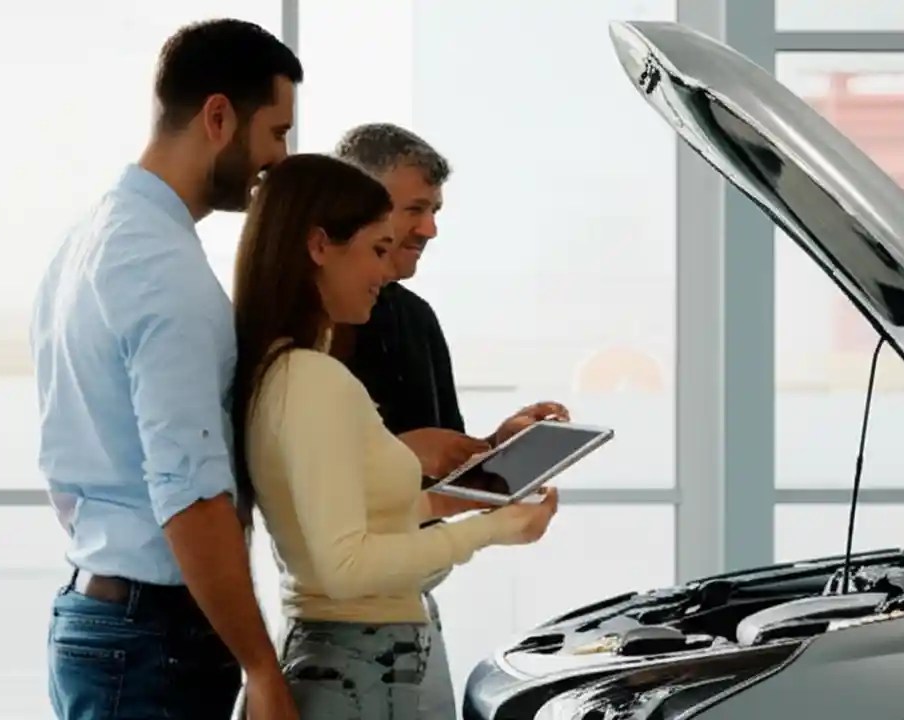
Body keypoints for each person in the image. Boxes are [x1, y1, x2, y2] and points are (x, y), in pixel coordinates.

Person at [29, 19, 303, 720]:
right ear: (219, 117)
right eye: (275, 131)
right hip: (152, 641)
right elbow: (189, 494)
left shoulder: (89, 240)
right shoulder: (165, 274)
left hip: (102, 614)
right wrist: (261, 669)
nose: (279, 156)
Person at [230, 152, 560, 719]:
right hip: (362, 666)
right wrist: (491, 529)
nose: (385, 273)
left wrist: (482, 484)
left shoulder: (285, 371)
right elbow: (345, 566)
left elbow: (359, 519)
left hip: (359, 662)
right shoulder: (311, 380)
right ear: (318, 247)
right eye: (376, 251)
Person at [331, 122, 569, 716]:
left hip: (414, 613)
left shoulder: (416, 318)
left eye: (434, 210)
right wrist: (409, 456)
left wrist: (493, 446)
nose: (431, 229)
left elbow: (441, 482)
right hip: (348, 625)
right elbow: (318, 495)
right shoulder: (310, 333)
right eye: (416, 209)